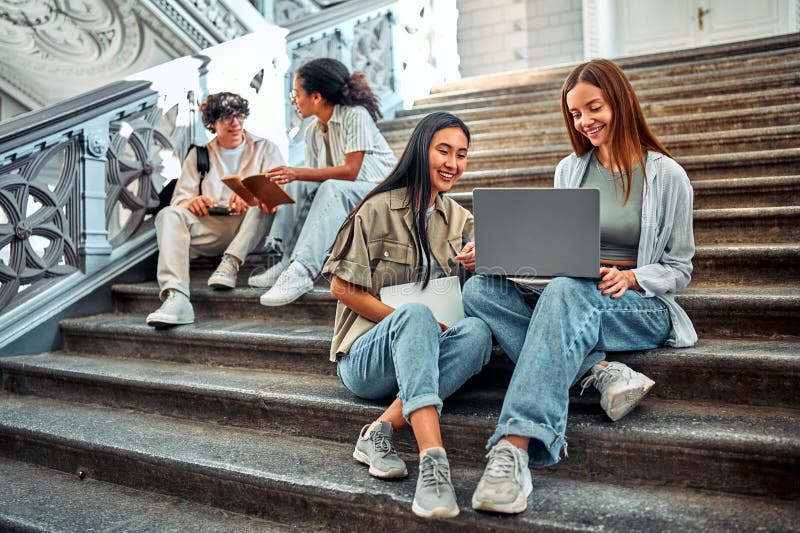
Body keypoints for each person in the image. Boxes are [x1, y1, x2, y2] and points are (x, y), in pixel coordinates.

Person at [463, 59, 697, 514]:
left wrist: (632, 276)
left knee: (568, 292)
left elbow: (679, 268)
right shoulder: (569, 170)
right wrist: (494, 252)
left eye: (594, 107)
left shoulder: (668, 176)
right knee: (478, 291)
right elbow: (556, 252)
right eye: (575, 114)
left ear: (620, 101)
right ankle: (597, 370)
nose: (585, 121)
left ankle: (514, 447)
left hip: (638, 304)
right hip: (573, 293)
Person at [321, 112, 493, 518]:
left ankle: (380, 429)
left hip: (426, 355)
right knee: (414, 315)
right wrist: (407, 320)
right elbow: (341, 288)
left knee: (480, 333)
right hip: (367, 358)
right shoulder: (376, 209)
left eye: (463, 154)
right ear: (421, 150)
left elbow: (492, 286)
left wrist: (482, 260)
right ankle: (433, 462)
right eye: (444, 151)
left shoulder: (462, 220)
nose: (453, 163)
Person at [249, 58, 397, 306]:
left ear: (316, 97)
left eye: (296, 93)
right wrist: (290, 179)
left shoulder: (355, 116)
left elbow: (350, 172)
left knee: (324, 185)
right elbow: (314, 186)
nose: (294, 100)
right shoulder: (312, 131)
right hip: (348, 195)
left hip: (383, 192)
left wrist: (297, 172)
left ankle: (304, 270)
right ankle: (287, 260)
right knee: (297, 185)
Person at [146, 92, 284, 327]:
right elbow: (179, 199)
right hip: (214, 227)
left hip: (252, 230)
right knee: (168, 214)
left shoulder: (266, 148)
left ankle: (230, 263)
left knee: (263, 205)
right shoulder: (199, 154)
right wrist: (191, 202)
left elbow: (280, 196)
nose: (235, 123)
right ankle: (176, 297)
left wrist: (250, 196)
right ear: (212, 124)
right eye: (227, 118)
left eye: (239, 116)